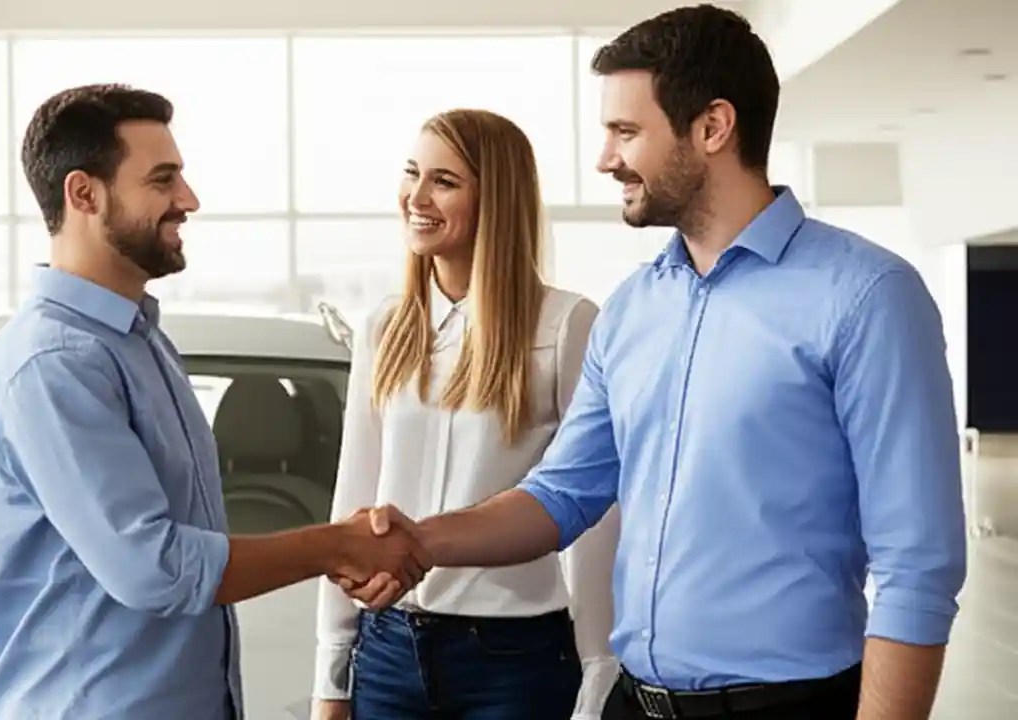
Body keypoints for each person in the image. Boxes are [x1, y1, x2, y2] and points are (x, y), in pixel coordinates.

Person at [336, 6, 967, 720]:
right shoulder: (635, 308)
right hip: (637, 703)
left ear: (712, 127)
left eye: (625, 132)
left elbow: (918, 566)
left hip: (789, 705)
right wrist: (421, 540)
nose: (607, 159)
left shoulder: (866, 295)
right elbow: (560, 498)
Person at [0, 83, 430, 720]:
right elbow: (154, 568)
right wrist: (335, 546)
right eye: (163, 180)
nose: (189, 200)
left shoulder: (138, 341)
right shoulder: (56, 362)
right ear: (84, 193)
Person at [312, 109, 621, 720]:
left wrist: (597, 674)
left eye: (444, 181)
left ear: (496, 198)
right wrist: (332, 675)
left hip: (515, 659)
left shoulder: (566, 325)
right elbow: (354, 497)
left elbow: (593, 514)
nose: (416, 197)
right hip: (389, 650)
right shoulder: (386, 325)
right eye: (411, 173)